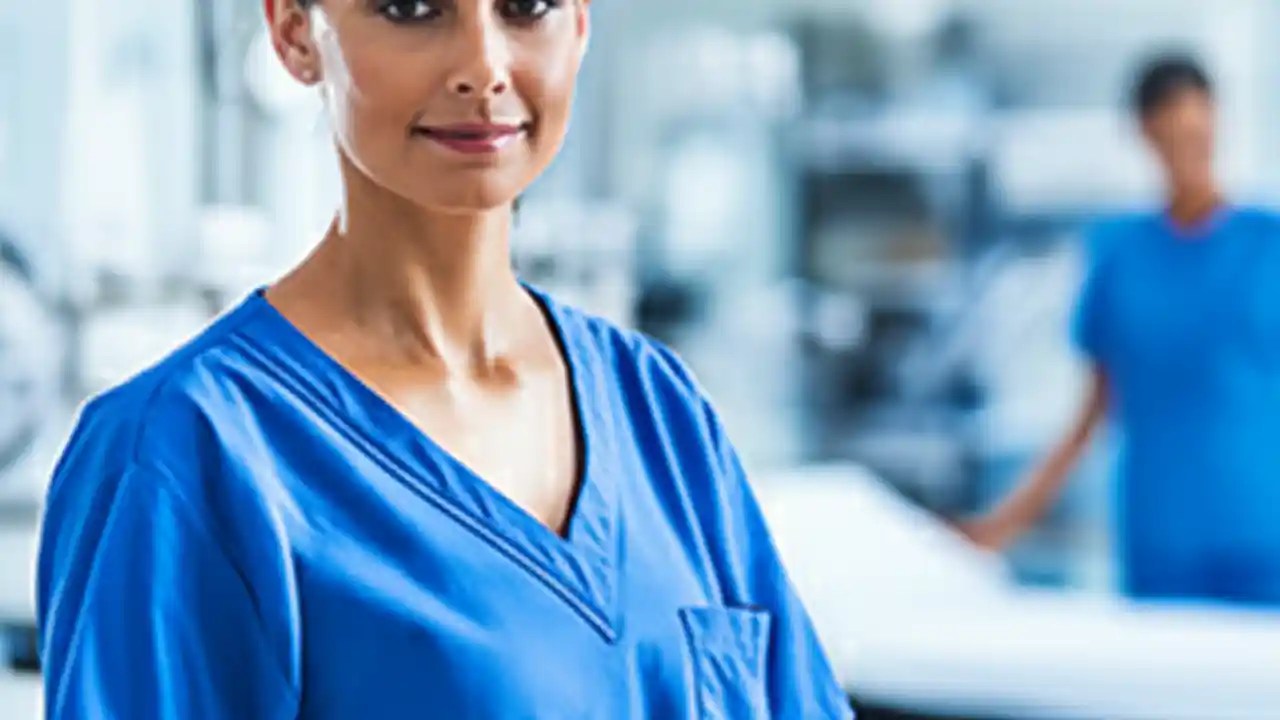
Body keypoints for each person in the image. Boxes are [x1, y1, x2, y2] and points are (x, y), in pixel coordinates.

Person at [35, 1, 851, 718]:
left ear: (580, 24)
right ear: (295, 34)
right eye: (409, 8)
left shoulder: (660, 410)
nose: (483, 67)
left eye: (527, 6)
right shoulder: (183, 453)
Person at [959, 54, 1280, 605]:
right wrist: (1006, 522)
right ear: (1144, 134)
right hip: (1159, 543)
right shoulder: (1119, 254)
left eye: (1199, 136)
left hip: (1263, 537)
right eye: (1173, 137)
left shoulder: (1268, 244)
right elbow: (1093, 411)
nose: (1189, 154)